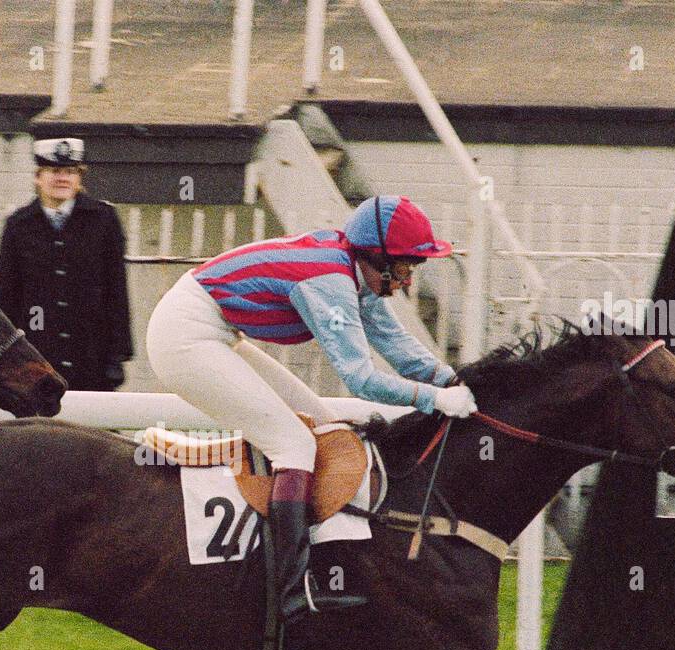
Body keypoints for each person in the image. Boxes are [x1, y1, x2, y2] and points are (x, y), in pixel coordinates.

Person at [145, 195, 478, 626]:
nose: (408, 279)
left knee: (327, 430)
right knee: (295, 446)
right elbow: (361, 379)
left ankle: (329, 564)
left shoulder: (357, 273)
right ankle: (288, 591)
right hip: (185, 337)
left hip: (216, 331)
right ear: (377, 256)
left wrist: (453, 380)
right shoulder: (330, 281)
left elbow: (399, 349)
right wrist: (433, 399)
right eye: (405, 266)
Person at [0, 138, 132, 391]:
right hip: (37, 356)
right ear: (38, 177)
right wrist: (8, 356)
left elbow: (117, 291)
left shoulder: (103, 220)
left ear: (79, 178)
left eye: (70, 172)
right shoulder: (19, 225)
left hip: (91, 356)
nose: (62, 179)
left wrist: (117, 355)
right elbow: (6, 296)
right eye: (54, 171)